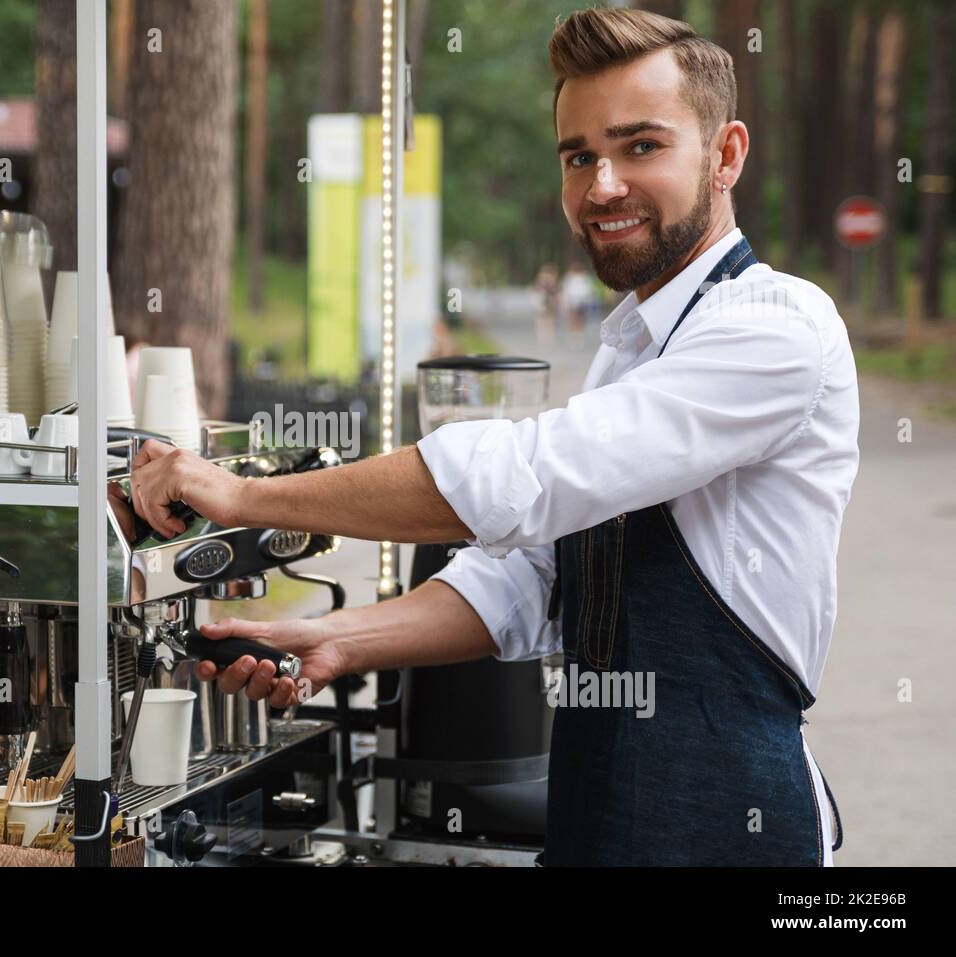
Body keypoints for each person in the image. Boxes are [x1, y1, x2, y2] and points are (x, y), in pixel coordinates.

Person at [128, 7, 859, 866]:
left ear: (726, 154)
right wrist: (338, 638)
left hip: (724, 824)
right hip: (594, 818)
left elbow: (527, 477)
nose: (603, 185)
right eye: (580, 155)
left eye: (641, 146)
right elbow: (529, 578)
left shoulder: (777, 326)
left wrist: (244, 494)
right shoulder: (633, 350)